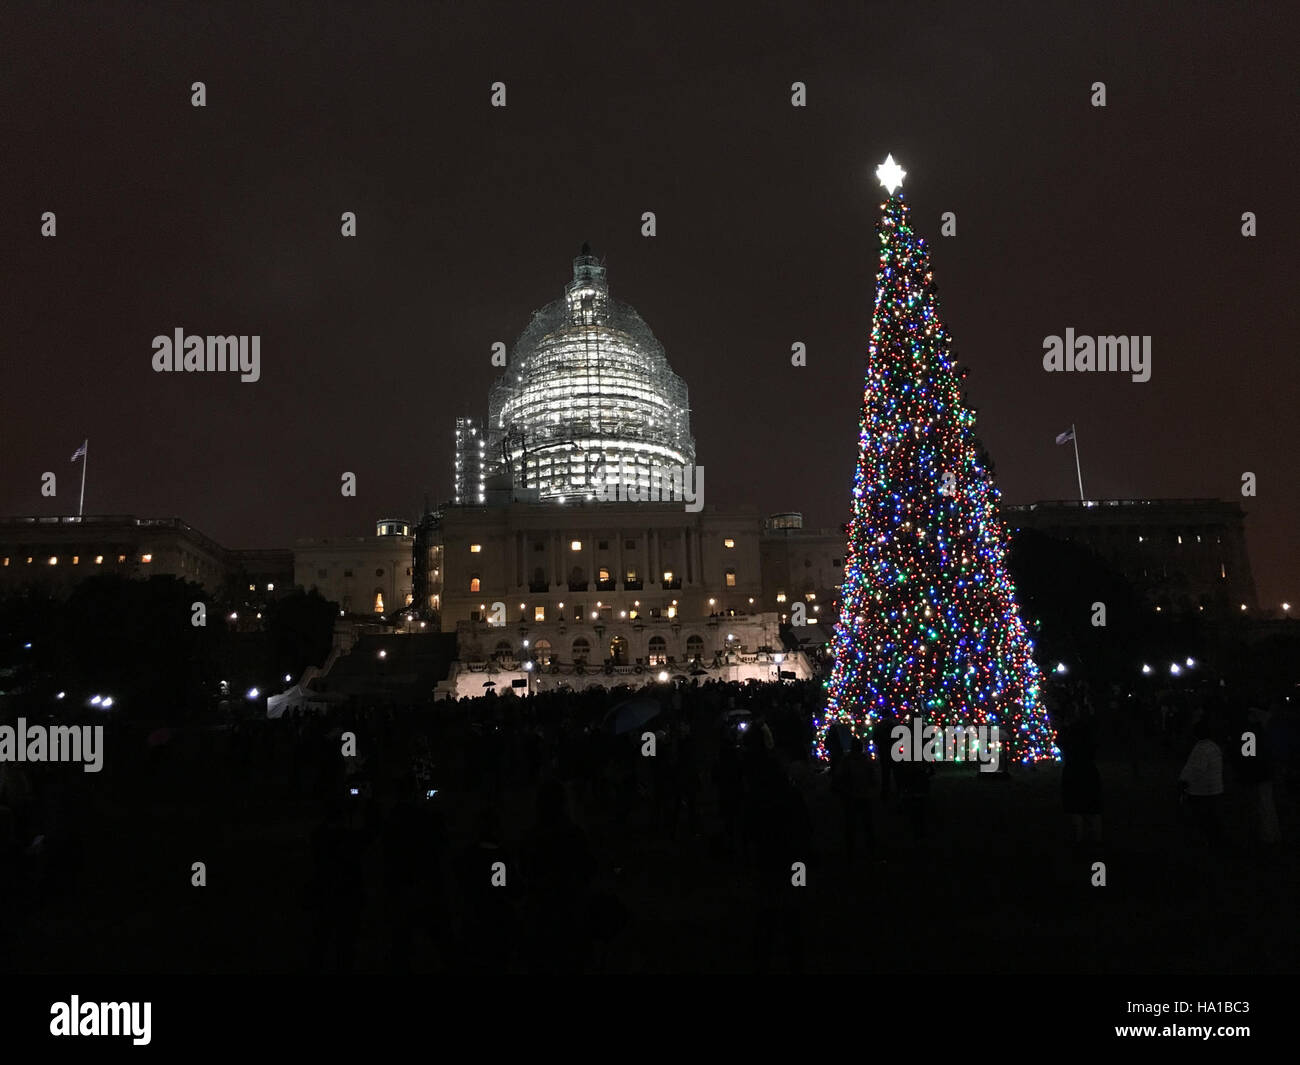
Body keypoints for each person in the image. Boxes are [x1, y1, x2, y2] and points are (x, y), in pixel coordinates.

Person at [1179, 716, 1225, 849]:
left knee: (1205, 820)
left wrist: (1184, 782)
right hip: (1214, 789)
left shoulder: (1202, 749)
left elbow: (1197, 770)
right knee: (1212, 819)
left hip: (1203, 791)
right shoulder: (1213, 747)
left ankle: (1210, 843)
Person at [831, 737, 876, 861]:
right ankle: (868, 848)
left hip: (852, 796)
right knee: (864, 823)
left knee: (853, 824)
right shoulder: (865, 761)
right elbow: (873, 779)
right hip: (860, 796)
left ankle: (852, 850)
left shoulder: (847, 761)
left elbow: (838, 777)